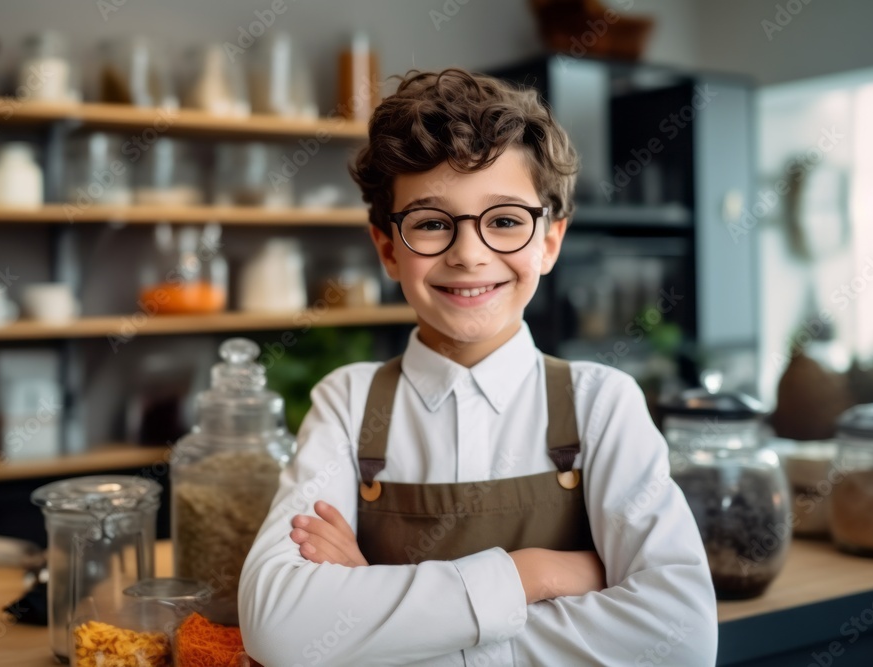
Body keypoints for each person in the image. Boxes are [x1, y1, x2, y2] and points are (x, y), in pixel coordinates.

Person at [239, 68, 717, 666]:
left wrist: (382, 625)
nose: (469, 254)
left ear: (550, 241)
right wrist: (534, 573)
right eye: (432, 223)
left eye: (507, 221)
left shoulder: (602, 403)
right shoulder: (349, 401)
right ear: (388, 249)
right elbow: (278, 628)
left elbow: (681, 640)